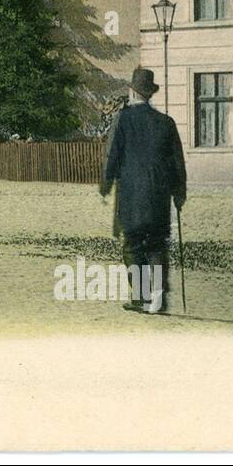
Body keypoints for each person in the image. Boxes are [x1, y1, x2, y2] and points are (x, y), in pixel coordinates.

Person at [100, 68, 186, 314]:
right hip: (159, 198)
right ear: (149, 94)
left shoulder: (122, 119)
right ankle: (158, 299)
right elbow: (177, 163)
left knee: (132, 246)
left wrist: (105, 185)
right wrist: (179, 193)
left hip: (131, 198)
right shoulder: (166, 123)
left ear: (132, 92)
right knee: (157, 246)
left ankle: (139, 296)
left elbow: (112, 156)